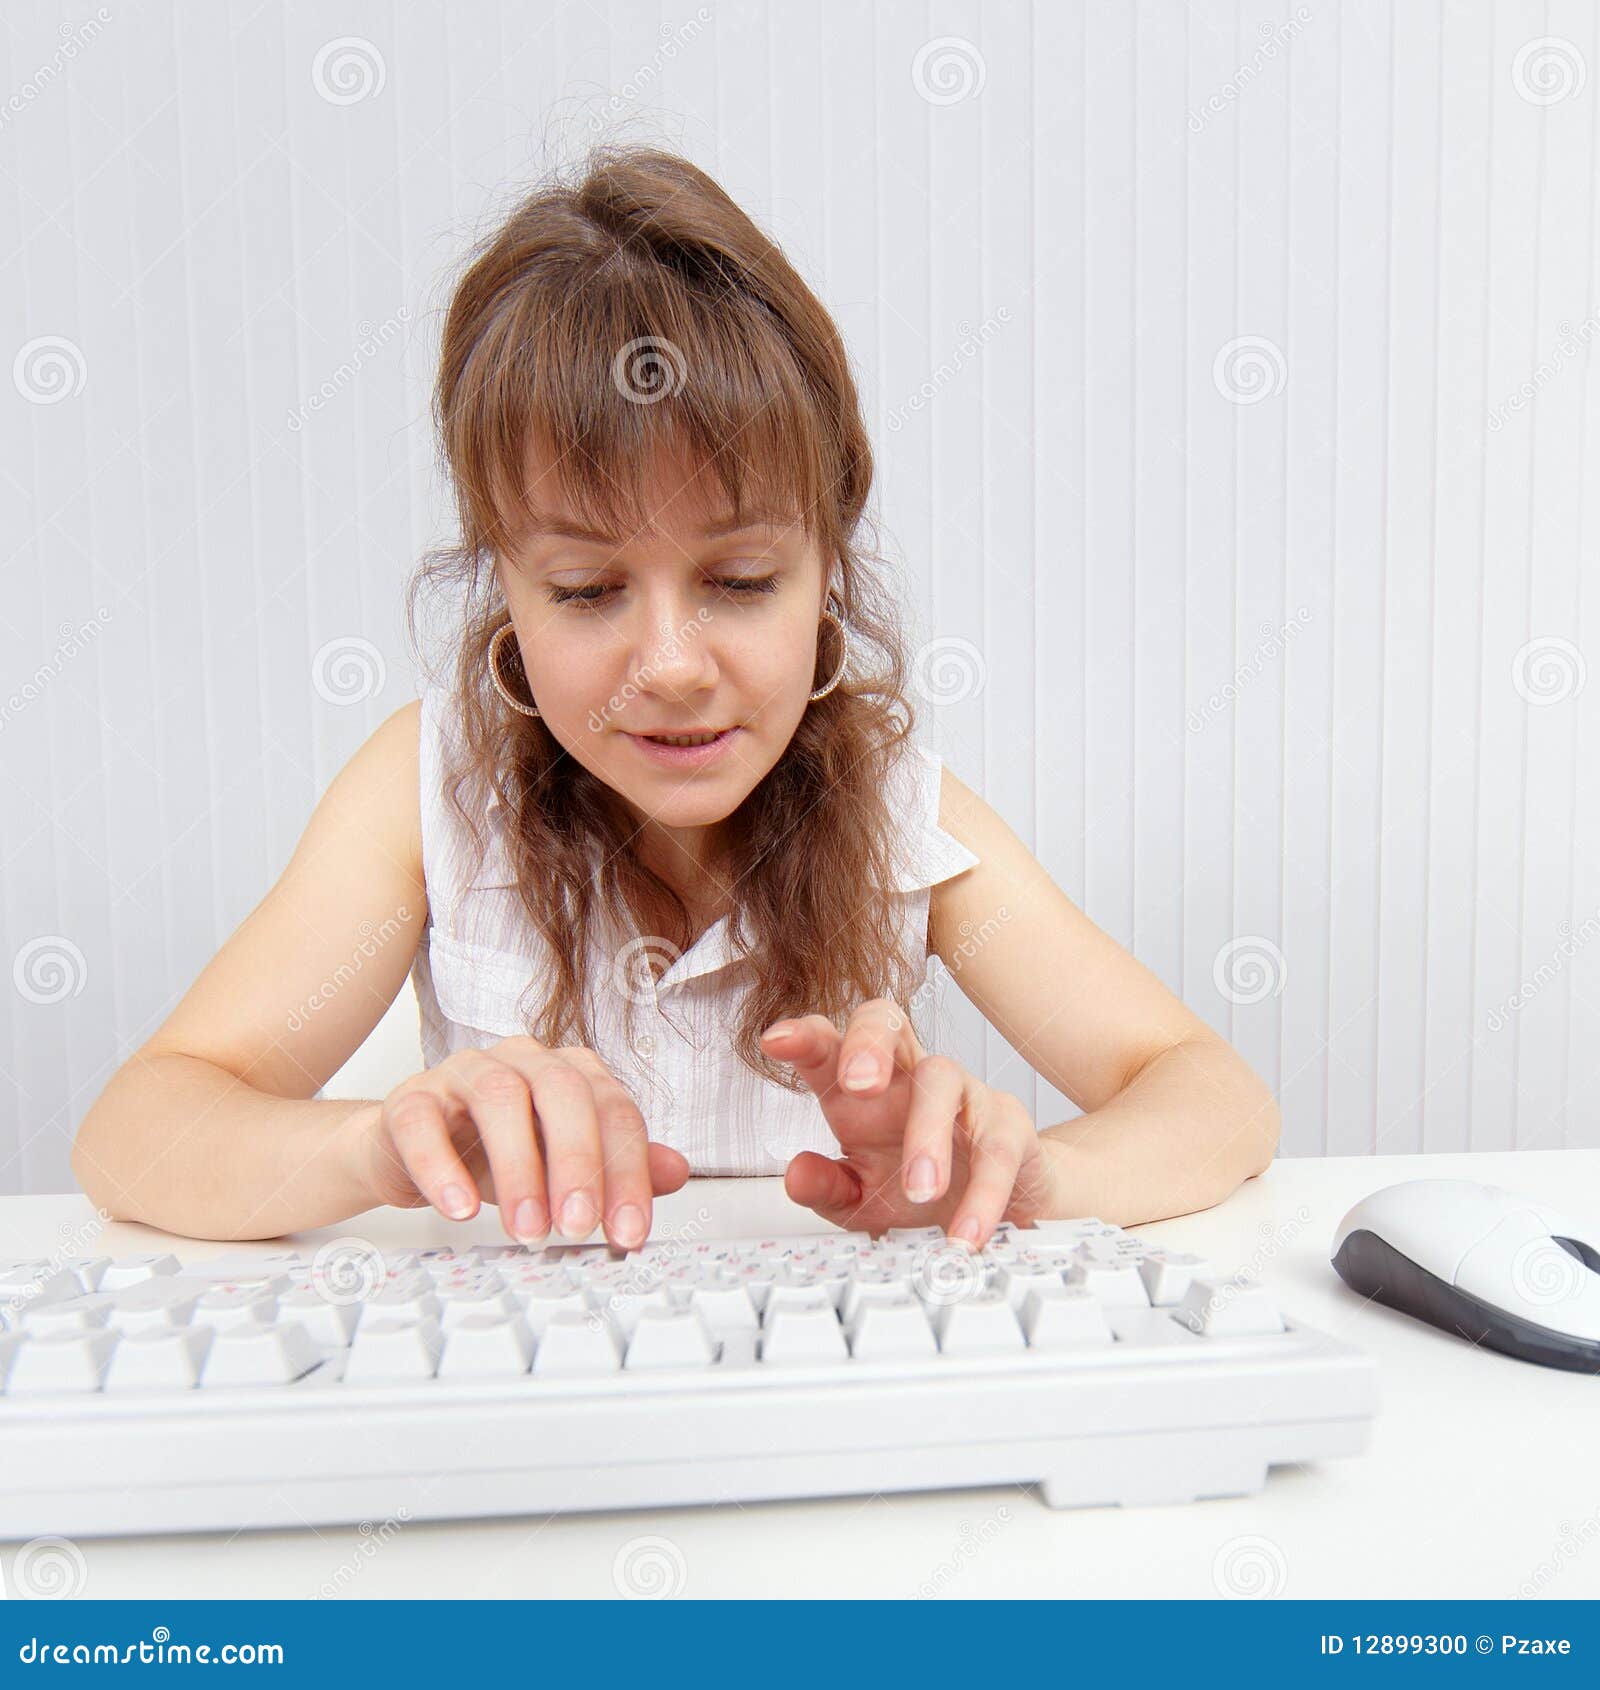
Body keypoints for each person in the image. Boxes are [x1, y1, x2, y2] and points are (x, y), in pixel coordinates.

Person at [73, 145, 1279, 1251]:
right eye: (590, 589)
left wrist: (1016, 1180)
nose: (671, 665)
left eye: (740, 580)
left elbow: (1206, 1092)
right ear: (505, 586)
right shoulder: (425, 787)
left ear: (825, 578)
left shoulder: (902, 817)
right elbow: (137, 1131)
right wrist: (372, 1143)